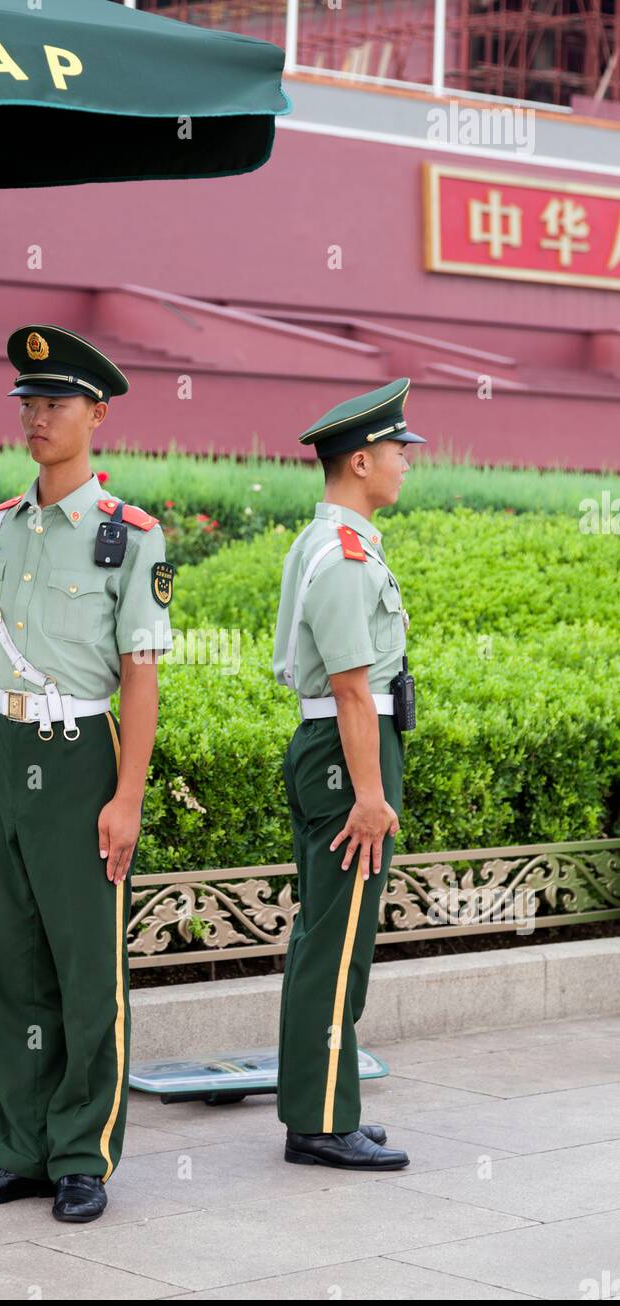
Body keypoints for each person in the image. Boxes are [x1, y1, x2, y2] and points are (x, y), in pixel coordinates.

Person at [0, 325, 174, 1222]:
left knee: (85, 968)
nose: (37, 417)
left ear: (96, 415)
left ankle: (83, 1154)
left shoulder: (128, 537)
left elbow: (143, 678)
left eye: (55, 404)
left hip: (82, 757)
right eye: (28, 404)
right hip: (7, 758)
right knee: (8, 964)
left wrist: (127, 798)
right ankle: (21, 1147)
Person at [271, 377, 425, 1171]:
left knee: (331, 937)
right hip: (345, 756)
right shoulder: (342, 552)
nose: (406, 463)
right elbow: (351, 689)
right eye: (399, 452)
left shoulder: (334, 541)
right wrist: (370, 796)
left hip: (342, 749)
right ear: (360, 460)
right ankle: (320, 1120)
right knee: (336, 944)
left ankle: (323, 1105)